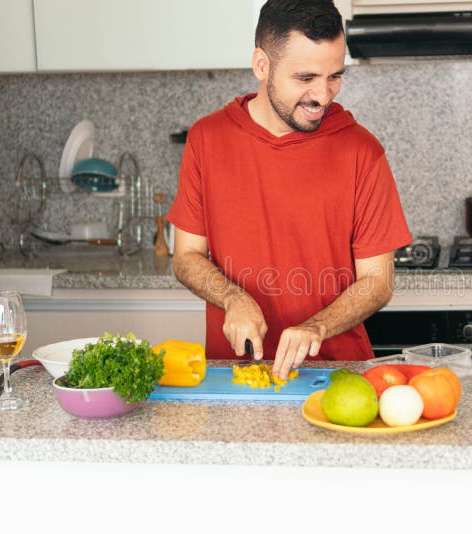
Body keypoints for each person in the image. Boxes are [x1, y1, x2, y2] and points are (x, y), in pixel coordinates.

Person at [167, 0, 411, 379]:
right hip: (234, 376)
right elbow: (186, 257)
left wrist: (317, 327)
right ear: (262, 65)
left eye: (334, 75)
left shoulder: (362, 150)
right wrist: (233, 298)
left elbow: (378, 281)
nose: (324, 95)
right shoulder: (207, 139)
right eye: (305, 78)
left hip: (337, 377)